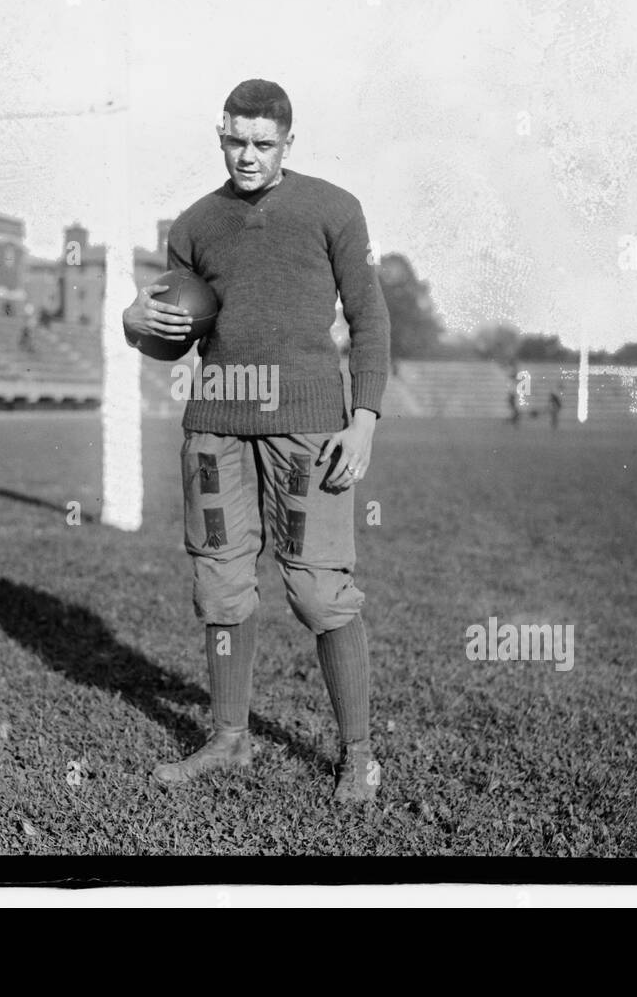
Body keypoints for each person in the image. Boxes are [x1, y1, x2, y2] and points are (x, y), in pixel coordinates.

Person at [122, 80, 390, 802]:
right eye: (236, 141)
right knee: (219, 583)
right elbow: (174, 332)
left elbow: (369, 320)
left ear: (287, 143)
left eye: (263, 144)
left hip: (308, 424)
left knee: (318, 592)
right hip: (216, 424)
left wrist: (363, 420)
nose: (247, 156)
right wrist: (133, 321)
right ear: (221, 135)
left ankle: (358, 755)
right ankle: (229, 740)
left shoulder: (334, 208)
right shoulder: (194, 224)